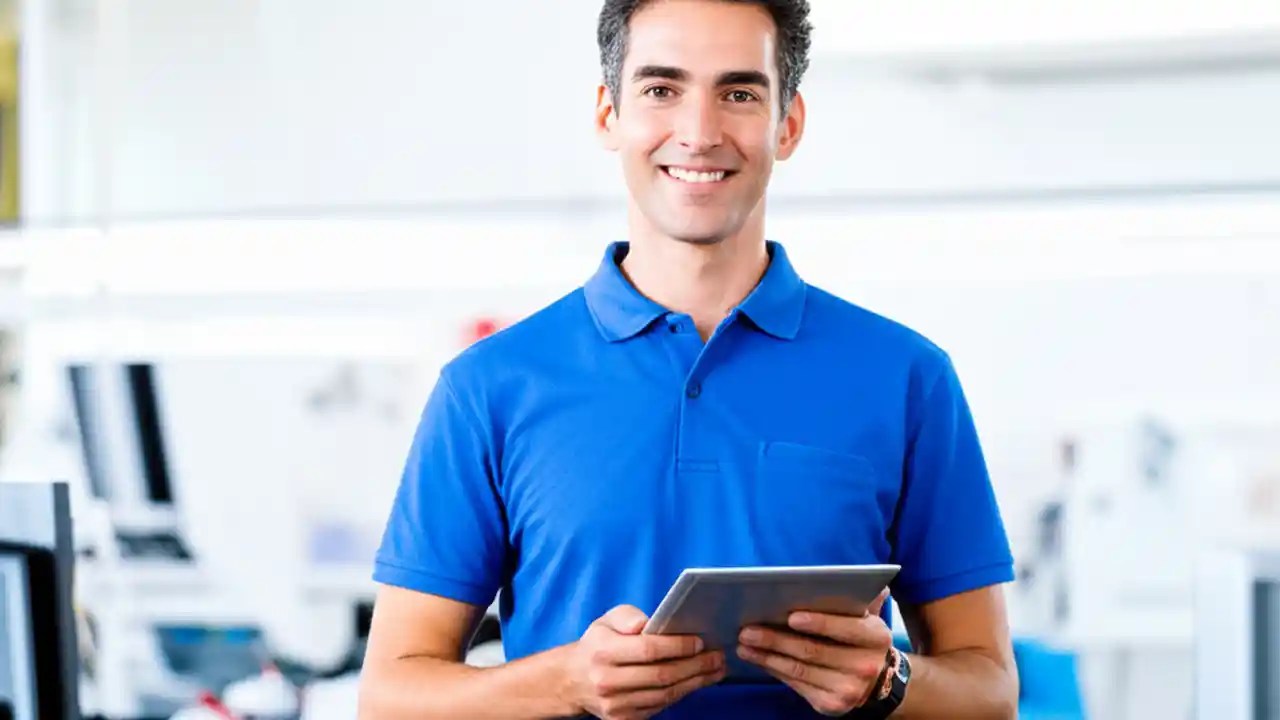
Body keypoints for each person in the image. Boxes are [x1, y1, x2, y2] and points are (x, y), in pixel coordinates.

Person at [357, 0, 1019, 717]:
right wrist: (568, 680)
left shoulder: (907, 378)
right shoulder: (489, 388)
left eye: (738, 93)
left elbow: (991, 690)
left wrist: (887, 683)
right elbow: (392, 695)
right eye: (661, 90)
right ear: (610, 114)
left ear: (787, 123)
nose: (699, 133)